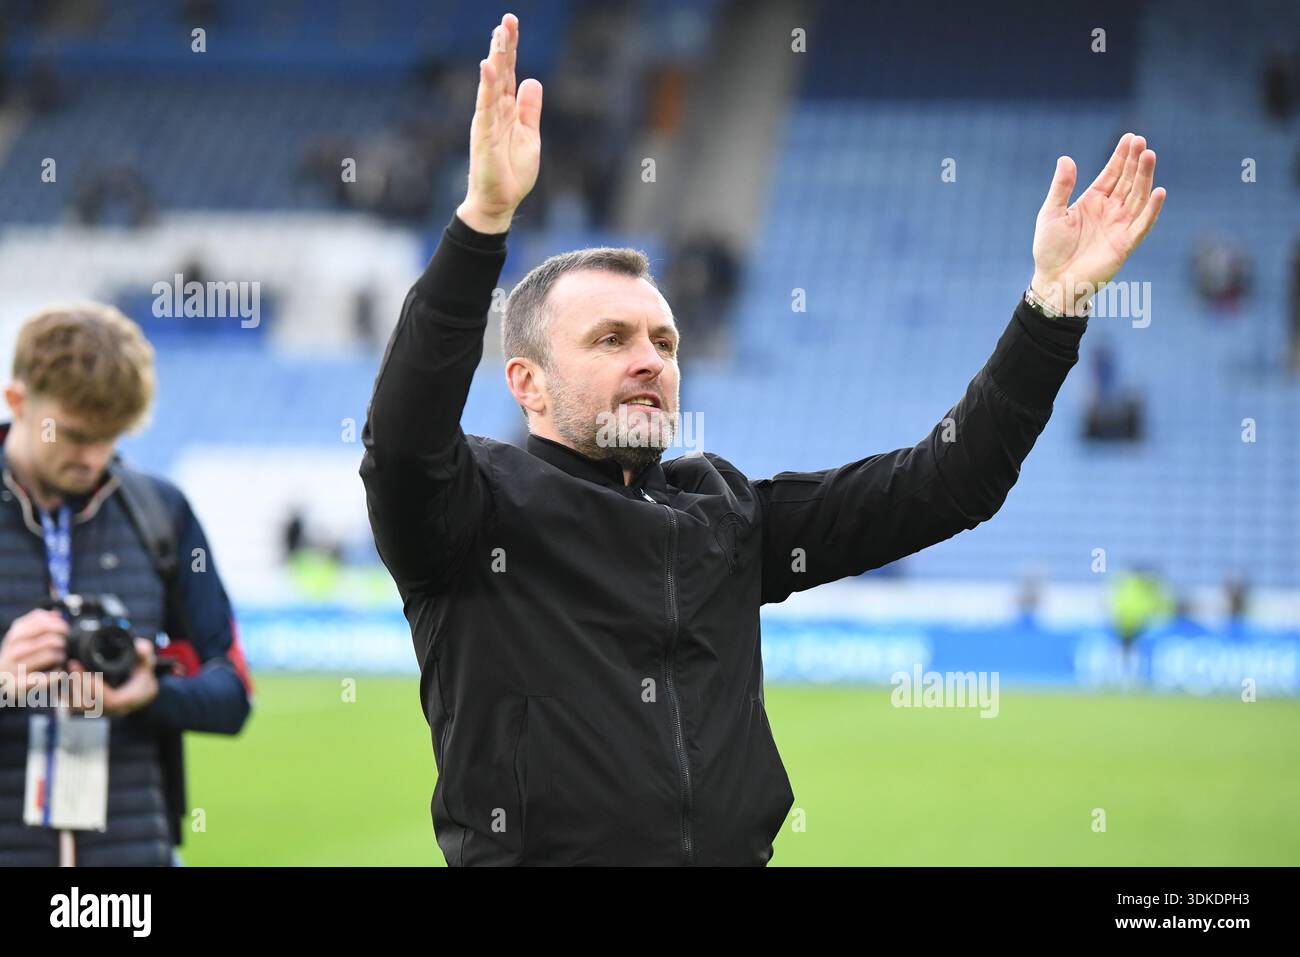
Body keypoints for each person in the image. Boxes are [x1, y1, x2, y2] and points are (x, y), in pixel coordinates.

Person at [360, 13, 1167, 866]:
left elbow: (951, 480)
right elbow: (403, 444)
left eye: (663, 342)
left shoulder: (725, 514)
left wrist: (1055, 304)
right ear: (525, 383)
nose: (650, 362)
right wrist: (484, 217)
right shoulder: (470, 516)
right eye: (611, 340)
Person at [0, 303, 252, 866]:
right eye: (74, 434)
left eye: (110, 437)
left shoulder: (159, 513)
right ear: (17, 401)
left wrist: (151, 694)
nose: (93, 458)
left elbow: (234, 692)